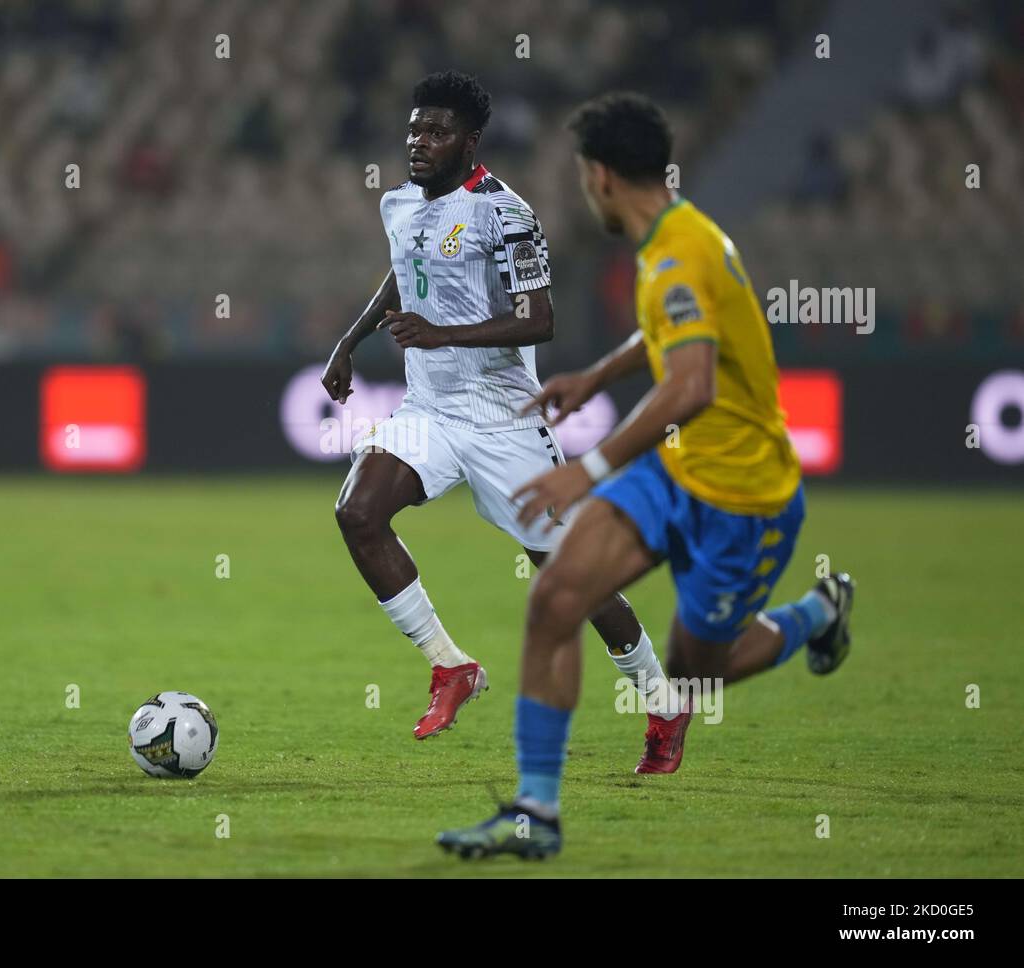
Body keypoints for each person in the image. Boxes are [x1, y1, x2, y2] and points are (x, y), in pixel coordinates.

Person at [437, 92, 855, 860]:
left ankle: (816, 616)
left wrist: (587, 469)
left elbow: (691, 384)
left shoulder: (676, 253)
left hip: (745, 498)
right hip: (676, 474)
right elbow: (675, 331)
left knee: (701, 672)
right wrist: (598, 375)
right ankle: (536, 813)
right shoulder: (674, 231)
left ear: (598, 176)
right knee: (557, 597)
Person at [321, 72, 655, 742]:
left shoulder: (507, 214)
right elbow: (403, 269)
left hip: (504, 420)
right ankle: (452, 667)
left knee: (571, 579)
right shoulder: (398, 205)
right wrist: (349, 341)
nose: (420, 142)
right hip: (431, 410)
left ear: (469, 141)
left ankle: (661, 697)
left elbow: (540, 319)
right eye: (415, 128)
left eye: (437, 131)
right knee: (358, 512)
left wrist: (441, 333)